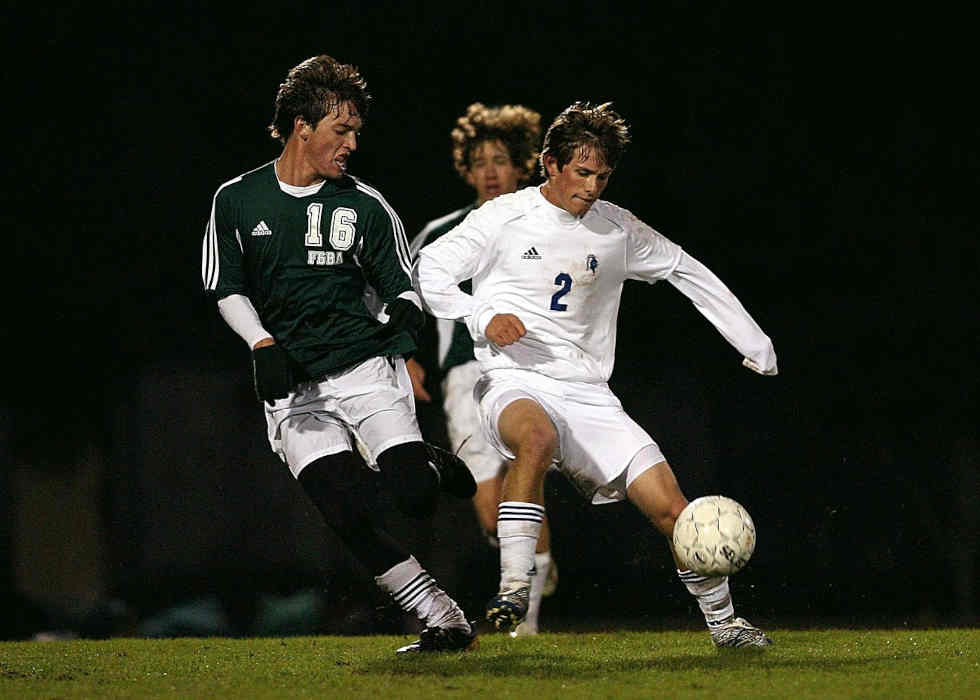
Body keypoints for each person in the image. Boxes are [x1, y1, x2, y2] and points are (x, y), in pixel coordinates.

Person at [414, 101, 777, 647]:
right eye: (582, 173)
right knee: (536, 437)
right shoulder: (501, 217)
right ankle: (514, 585)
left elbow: (686, 270)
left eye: (602, 176)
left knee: (673, 511)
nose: (591, 187)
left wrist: (754, 341)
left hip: (588, 394)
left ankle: (727, 625)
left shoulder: (618, 230)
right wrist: (481, 314)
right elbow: (430, 270)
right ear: (550, 164)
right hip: (513, 379)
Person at [200, 54, 478, 654]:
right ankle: (441, 615)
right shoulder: (239, 200)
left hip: (365, 369)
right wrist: (261, 342)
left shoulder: (366, 204)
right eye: (341, 130)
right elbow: (227, 287)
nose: (352, 143)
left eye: (356, 131)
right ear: (302, 126)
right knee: (342, 508)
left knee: (413, 498)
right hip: (294, 384)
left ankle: (425, 463)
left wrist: (406, 309)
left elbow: (403, 282)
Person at [407, 103, 557, 636]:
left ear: (524, 166)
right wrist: (405, 357)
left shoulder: (551, 228)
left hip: (532, 374)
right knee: (492, 513)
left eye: (501, 159)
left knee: (528, 474)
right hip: (465, 378)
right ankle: (535, 562)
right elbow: (402, 298)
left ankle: (527, 627)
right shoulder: (443, 233)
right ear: (466, 172)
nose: (491, 171)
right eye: (479, 162)